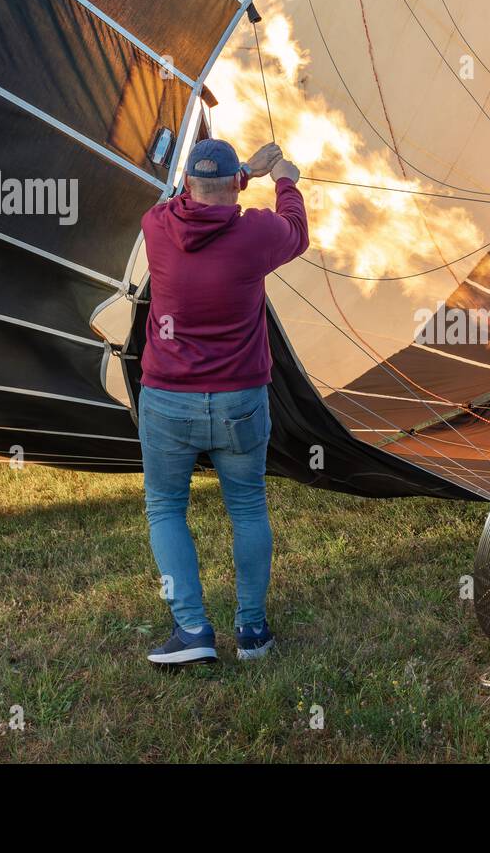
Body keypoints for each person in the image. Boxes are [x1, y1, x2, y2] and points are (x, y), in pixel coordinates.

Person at [138, 137, 307, 665]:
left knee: (166, 508)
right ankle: (252, 633)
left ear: (188, 183)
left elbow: (199, 196)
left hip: (167, 400)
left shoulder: (156, 226)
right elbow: (296, 232)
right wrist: (284, 178)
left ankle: (192, 631)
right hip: (239, 400)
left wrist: (242, 175)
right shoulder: (256, 233)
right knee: (248, 509)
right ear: (234, 187)